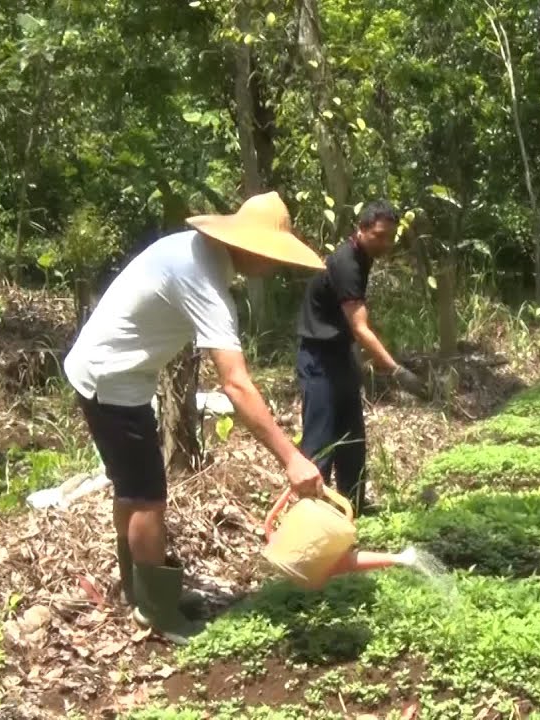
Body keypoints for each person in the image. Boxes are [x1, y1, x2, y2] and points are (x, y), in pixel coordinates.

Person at [63, 191, 327, 644]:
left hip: (108, 373)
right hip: (112, 382)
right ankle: (157, 612)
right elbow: (237, 385)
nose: (273, 266)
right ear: (248, 247)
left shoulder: (192, 251)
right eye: (270, 256)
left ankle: (140, 591)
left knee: (132, 489)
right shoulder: (204, 282)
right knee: (148, 497)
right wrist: (292, 458)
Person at [295, 200, 423, 515]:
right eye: (380, 236)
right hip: (318, 359)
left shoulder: (363, 256)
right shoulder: (347, 263)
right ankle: (311, 516)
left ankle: (353, 505)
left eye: (391, 237)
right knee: (321, 440)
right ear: (362, 229)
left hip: (340, 354)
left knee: (351, 438)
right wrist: (396, 372)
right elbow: (361, 328)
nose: (386, 244)